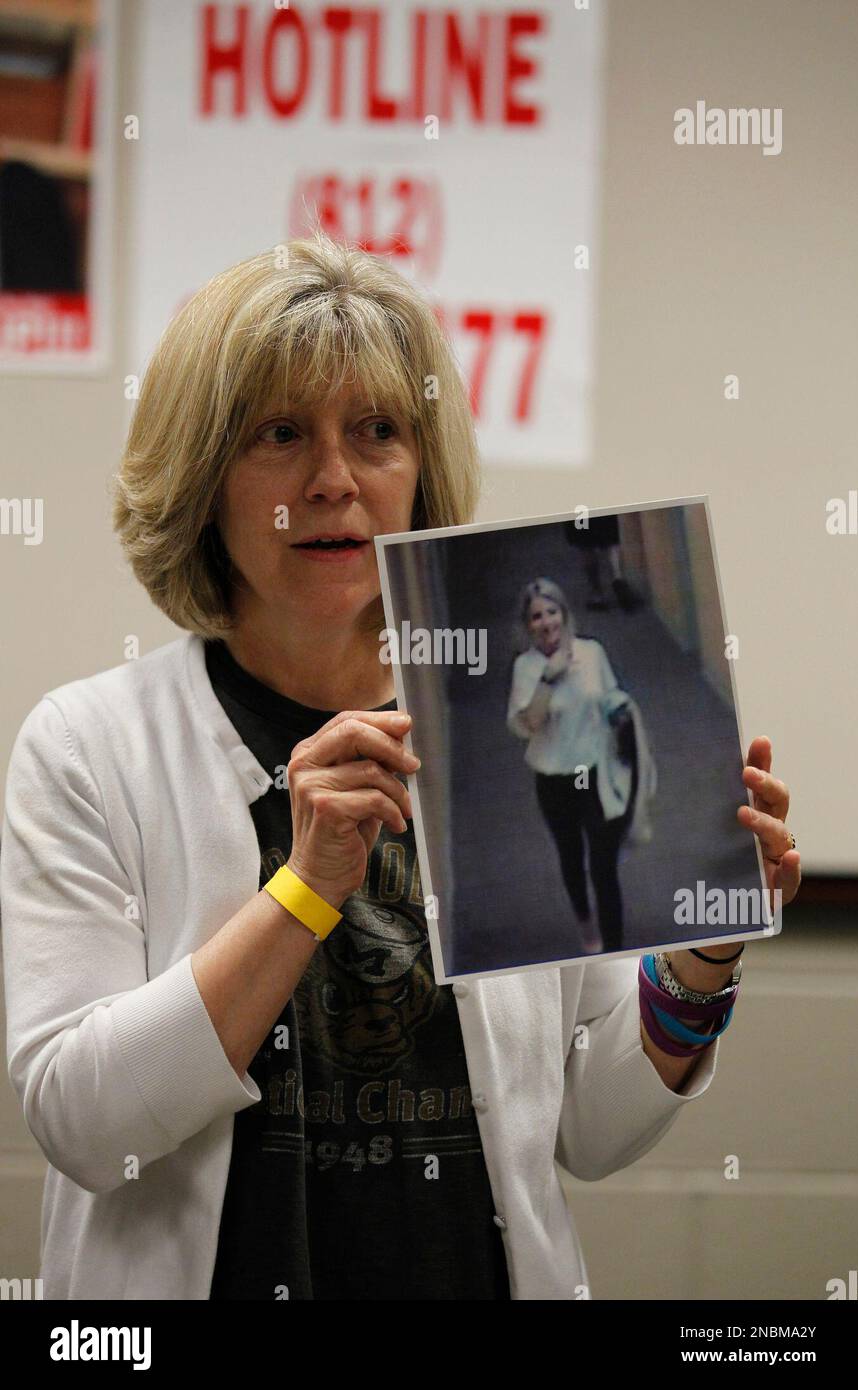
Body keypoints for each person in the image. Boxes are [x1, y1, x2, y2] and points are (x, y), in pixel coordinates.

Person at [0, 232, 802, 1301]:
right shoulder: (89, 744)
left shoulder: (492, 718)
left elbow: (589, 1128)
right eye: (280, 434)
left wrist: (698, 960)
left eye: (376, 431)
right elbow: (85, 1126)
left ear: (418, 471)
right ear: (202, 477)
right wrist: (304, 886)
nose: (333, 480)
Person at [506, 577, 656, 954]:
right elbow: (529, 725)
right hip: (553, 782)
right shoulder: (526, 667)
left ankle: (616, 949)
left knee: (603, 866)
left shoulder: (591, 653)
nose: (546, 622)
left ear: (564, 614)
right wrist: (549, 678)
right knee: (571, 858)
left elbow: (606, 696)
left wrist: (620, 711)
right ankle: (588, 929)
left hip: (592, 775)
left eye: (552, 612)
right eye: (537, 616)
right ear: (528, 625)